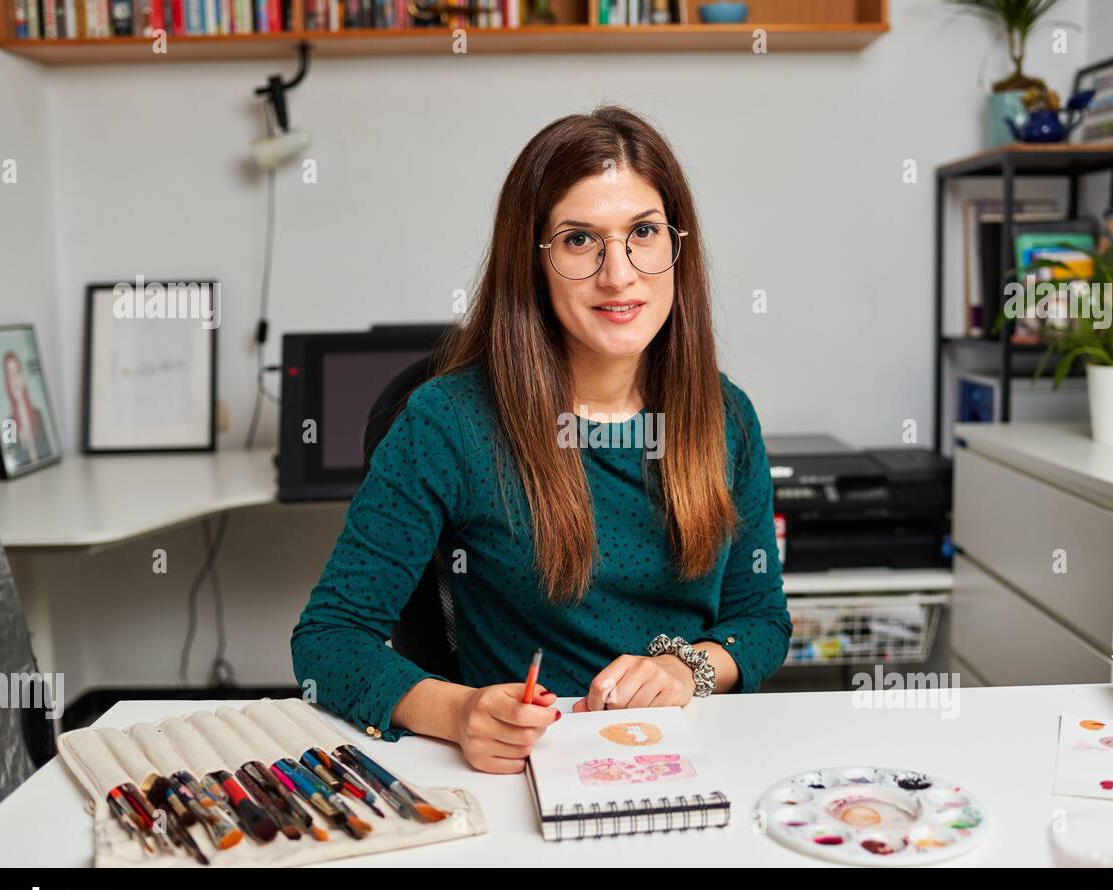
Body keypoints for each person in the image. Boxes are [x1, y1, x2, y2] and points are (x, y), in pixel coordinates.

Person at [292, 106, 791, 773]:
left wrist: (691, 667)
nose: (619, 273)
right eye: (580, 240)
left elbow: (761, 620)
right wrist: (459, 710)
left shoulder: (728, 417)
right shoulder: (448, 422)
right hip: (529, 771)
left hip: (692, 760)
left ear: (677, 247)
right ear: (532, 262)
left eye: (643, 232)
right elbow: (327, 642)